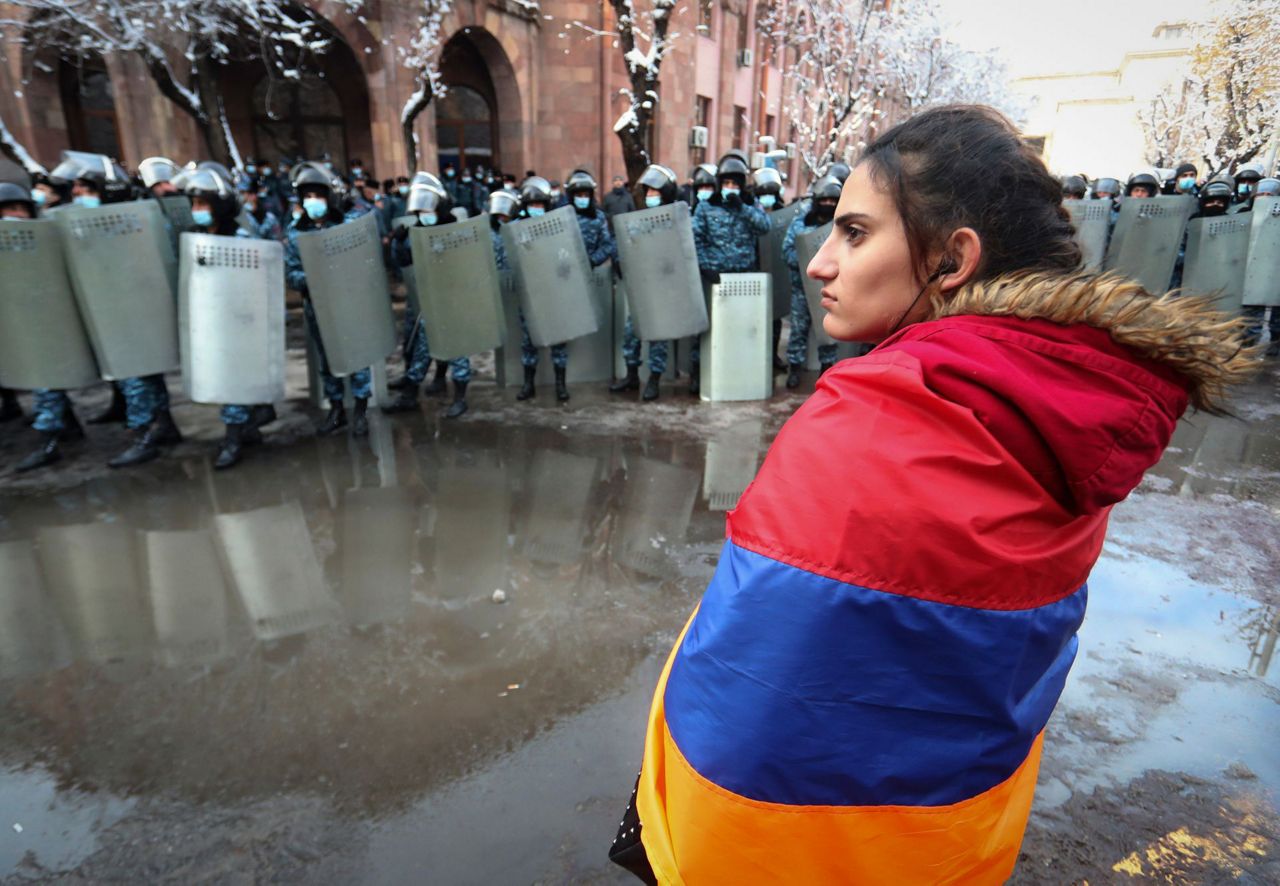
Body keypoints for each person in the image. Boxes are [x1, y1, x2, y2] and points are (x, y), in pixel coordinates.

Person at [610, 104, 1255, 884]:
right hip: (951, 837)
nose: (820, 264)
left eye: (855, 234)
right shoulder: (1065, 402)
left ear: (952, 260)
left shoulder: (880, 415)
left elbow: (747, 688)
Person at [182, 167, 277, 469]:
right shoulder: (196, 237)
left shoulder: (241, 238)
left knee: (232, 381)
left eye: (202, 204)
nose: (197, 210)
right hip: (210, 319)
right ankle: (254, 421)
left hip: (239, 321)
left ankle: (233, 438)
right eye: (194, 204)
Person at [285, 161, 373, 437]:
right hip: (318, 307)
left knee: (357, 355)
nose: (312, 201)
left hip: (349, 303)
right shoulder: (296, 232)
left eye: (317, 195)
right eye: (307, 196)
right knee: (327, 360)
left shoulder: (346, 225)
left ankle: (361, 410)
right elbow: (291, 274)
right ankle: (337, 409)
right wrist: (312, 278)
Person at [5, 182, 87, 471]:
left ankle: (48, 441)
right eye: (7, 210)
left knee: (45, 384)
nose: (15, 216)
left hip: (46, 322)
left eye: (19, 209)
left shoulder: (45, 237)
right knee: (47, 382)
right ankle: (68, 426)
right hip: (25, 324)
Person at [383, 173, 472, 419]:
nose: (424, 215)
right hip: (428, 301)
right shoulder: (417, 232)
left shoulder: (455, 230)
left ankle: (460, 397)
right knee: (421, 349)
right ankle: (409, 395)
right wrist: (398, 242)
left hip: (452, 300)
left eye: (428, 210)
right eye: (420, 211)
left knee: (457, 349)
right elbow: (403, 263)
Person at [689, 151, 771, 395]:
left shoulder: (749, 205)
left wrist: (742, 208)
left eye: (735, 184)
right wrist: (705, 266)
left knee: (741, 329)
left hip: (744, 276)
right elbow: (695, 239)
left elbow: (764, 227)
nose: (730, 188)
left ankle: (738, 374)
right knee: (706, 330)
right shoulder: (706, 207)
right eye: (726, 183)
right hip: (714, 276)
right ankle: (697, 372)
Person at [609, 163, 679, 401]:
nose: (650, 195)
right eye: (648, 191)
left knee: (658, 335)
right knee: (632, 332)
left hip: (664, 288)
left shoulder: (674, 220)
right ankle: (631, 376)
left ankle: (654, 380)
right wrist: (619, 260)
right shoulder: (640, 219)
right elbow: (626, 243)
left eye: (655, 191)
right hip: (642, 288)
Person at [782, 174, 842, 388]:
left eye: (832, 201)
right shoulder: (801, 223)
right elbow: (786, 251)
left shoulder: (840, 227)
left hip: (830, 288)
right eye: (824, 200)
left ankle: (827, 367)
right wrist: (806, 261)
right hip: (802, 288)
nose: (828, 204)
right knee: (798, 330)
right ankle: (795, 368)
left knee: (829, 330)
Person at [754, 166, 789, 370]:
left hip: (775, 270)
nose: (767, 197)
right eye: (763, 193)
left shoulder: (782, 213)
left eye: (770, 193)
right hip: (755, 269)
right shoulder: (751, 211)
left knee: (775, 318)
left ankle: (773, 355)